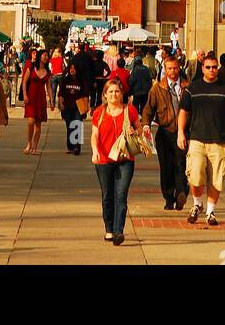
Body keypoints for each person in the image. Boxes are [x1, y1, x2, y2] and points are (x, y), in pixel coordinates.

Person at [178, 51, 225, 228]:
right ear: (203, 68)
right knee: (195, 176)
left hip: (220, 141)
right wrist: (180, 133)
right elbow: (184, 112)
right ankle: (197, 203)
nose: (212, 70)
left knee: (216, 178)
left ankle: (210, 211)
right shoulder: (193, 88)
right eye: (208, 67)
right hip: (197, 139)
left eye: (214, 67)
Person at [91, 78, 139, 245]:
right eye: (110, 91)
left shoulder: (130, 110)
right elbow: (94, 135)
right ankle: (109, 229)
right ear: (105, 94)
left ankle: (119, 231)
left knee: (121, 194)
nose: (114, 94)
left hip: (125, 158)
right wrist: (95, 151)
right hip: (104, 159)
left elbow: (139, 128)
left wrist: (136, 131)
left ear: (122, 93)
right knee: (107, 196)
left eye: (117, 91)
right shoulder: (99, 112)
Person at [142, 52, 188, 211]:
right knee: (166, 167)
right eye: (169, 68)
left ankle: (181, 193)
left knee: (181, 165)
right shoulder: (157, 89)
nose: (173, 71)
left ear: (179, 68)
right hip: (165, 133)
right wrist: (146, 124)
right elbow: (148, 109)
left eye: (175, 68)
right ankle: (169, 197)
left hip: (183, 133)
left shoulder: (186, 87)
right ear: (165, 69)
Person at [22, 49, 53, 155]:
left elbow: (49, 87)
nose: (46, 57)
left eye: (47, 56)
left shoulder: (48, 72)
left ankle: (35, 147)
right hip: (31, 97)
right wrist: (25, 94)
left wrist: (51, 99)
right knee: (31, 121)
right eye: (44, 55)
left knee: (38, 125)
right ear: (40, 56)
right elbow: (24, 82)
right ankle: (29, 143)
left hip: (41, 99)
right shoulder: (31, 68)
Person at [58, 59, 87, 155]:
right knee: (69, 126)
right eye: (70, 68)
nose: (72, 70)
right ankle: (70, 146)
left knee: (77, 126)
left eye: (74, 68)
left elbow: (85, 94)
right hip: (67, 106)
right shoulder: (65, 80)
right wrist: (61, 103)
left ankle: (77, 147)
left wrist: (86, 107)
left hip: (78, 107)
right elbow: (61, 93)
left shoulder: (81, 81)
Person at [128, 54, 152, 118]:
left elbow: (131, 81)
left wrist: (130, 88)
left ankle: (136, 118)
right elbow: (150, 79)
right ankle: (143, 117)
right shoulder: (146, 68)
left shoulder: (135, 69)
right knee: (143, 105)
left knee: (136, 105)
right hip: (145, 91)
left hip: (137, 91)